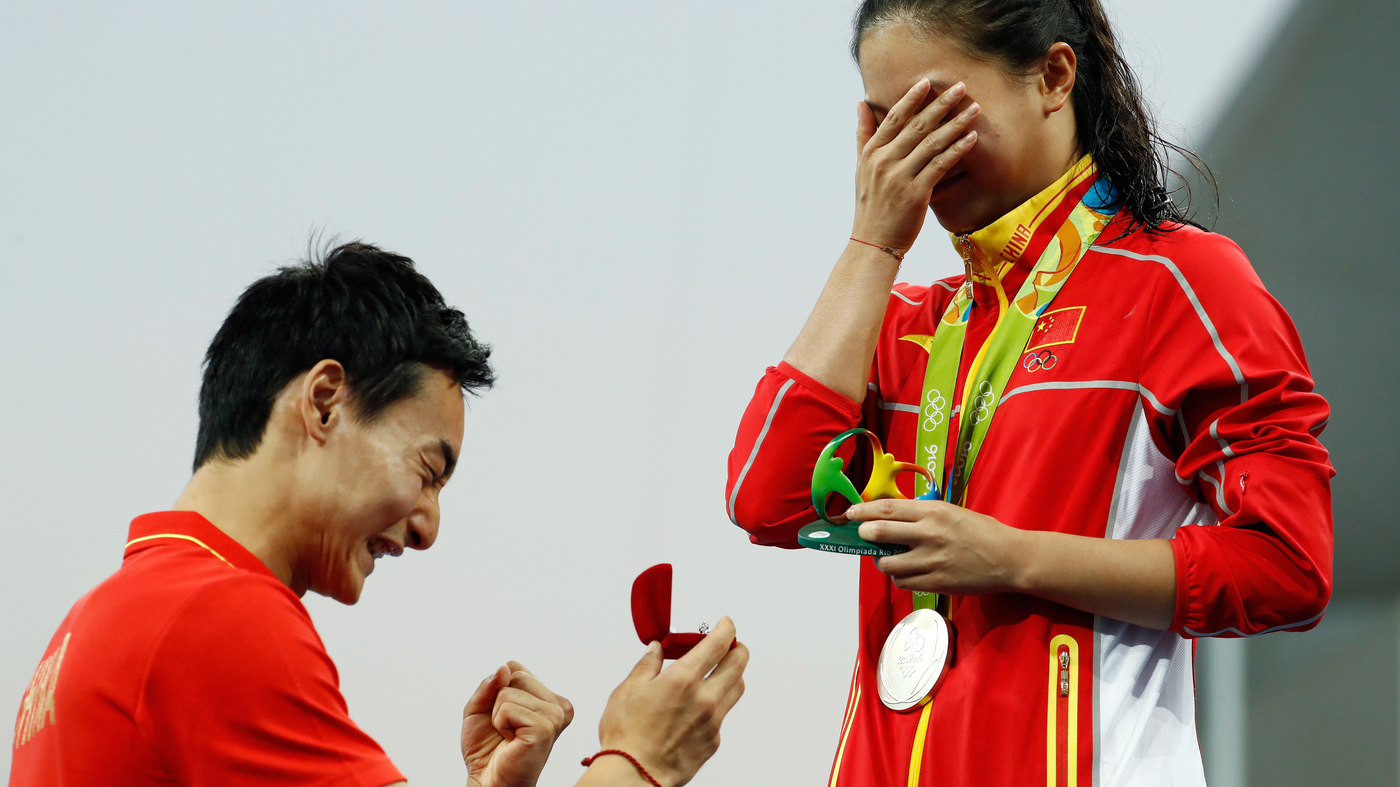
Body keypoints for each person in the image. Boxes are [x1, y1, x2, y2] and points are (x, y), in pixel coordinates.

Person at [725, 2, 1332, 785]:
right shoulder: (904, 322)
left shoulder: (1183, 285)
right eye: (886, 120)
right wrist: (873, 244)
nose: (911, 152)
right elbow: (763, 498)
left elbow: (1287, 564)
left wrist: (1014, 559)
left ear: (1053, 76)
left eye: (935, 109)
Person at [10, 242, 748, 787]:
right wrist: (636, 760)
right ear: (324, 401)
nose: (428, 527)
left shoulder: (101, 619)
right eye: (429, 471)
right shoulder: (218, 616)